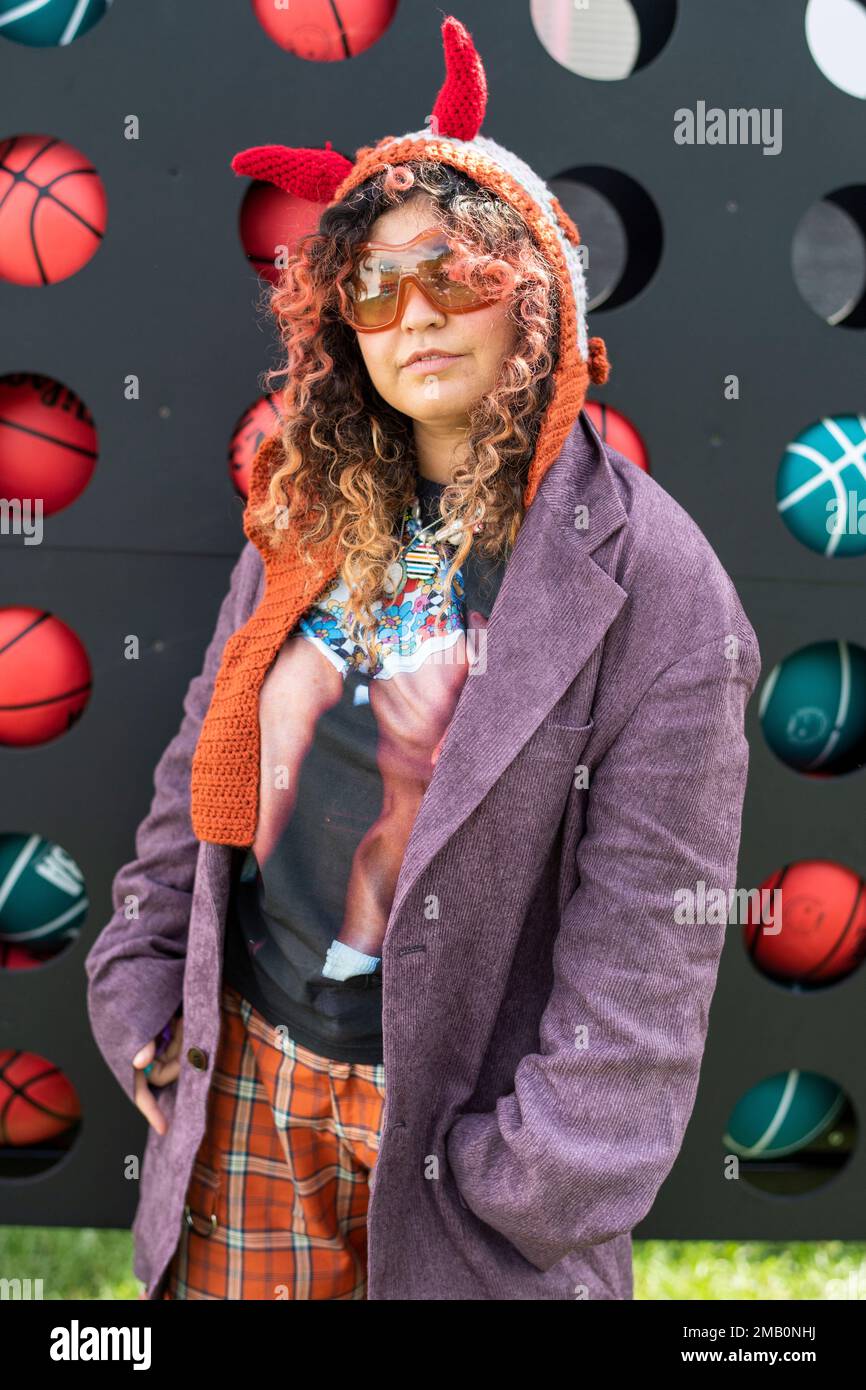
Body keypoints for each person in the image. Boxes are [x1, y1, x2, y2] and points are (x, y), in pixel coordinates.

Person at [86, 15, 761, 1301]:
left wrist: (533, 1176)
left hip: (459, 1163)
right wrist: (140, 982)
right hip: (249, 1093)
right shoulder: (309, 508)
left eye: (450, 271)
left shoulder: (657, 588)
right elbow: (203, 760)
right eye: (373, 286)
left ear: (534, 288)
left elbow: (649, 943)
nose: (412, 314)